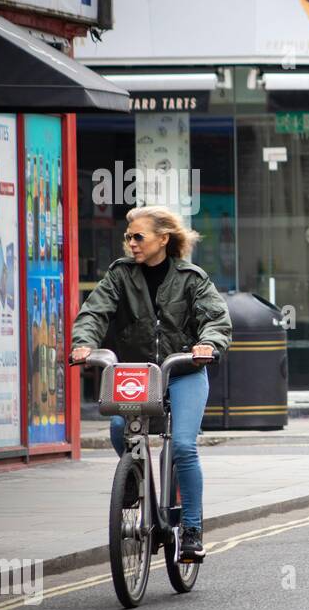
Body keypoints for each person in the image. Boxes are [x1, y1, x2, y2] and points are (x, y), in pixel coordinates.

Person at [71, 206, 232, 561]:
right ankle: (137, 481)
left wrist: (208, 344)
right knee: (118, 430)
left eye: (138, 236)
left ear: (163, 238)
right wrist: (84, 343)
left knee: (184, 448)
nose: (131, 243)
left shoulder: (192, 278)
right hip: (139, 374)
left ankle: (191, 529)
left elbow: (216, 318)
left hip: (183, 371)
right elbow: (95, 311)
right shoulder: (120, 275)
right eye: (128, 237)